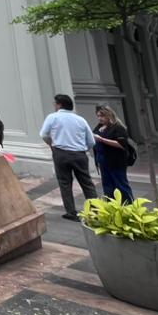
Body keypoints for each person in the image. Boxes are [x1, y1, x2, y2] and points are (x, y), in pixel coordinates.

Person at [39, 93, 98, 221]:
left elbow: (44, 134)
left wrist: (52, 145)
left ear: (59, 105)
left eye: (55, 103)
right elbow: (91, 141)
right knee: (87, 183)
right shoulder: (80, 119)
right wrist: (82, 149)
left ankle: (71, 212)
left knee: (65, 183)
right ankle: (95, 210)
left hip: (61, 153)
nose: (54, 105)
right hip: (79, 154)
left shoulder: (53, 117)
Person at [92, 105, 135, 203]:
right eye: (98, 116)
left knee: (121, 185)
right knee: (108, 186)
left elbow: (121, 144)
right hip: (103, 161)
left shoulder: (118, 128)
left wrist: (102, 139)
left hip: (116, 162)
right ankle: (111, 206)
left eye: (102, 116)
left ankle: (128, 205)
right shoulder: (99, 127)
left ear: (109, 115)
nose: (100, 118)